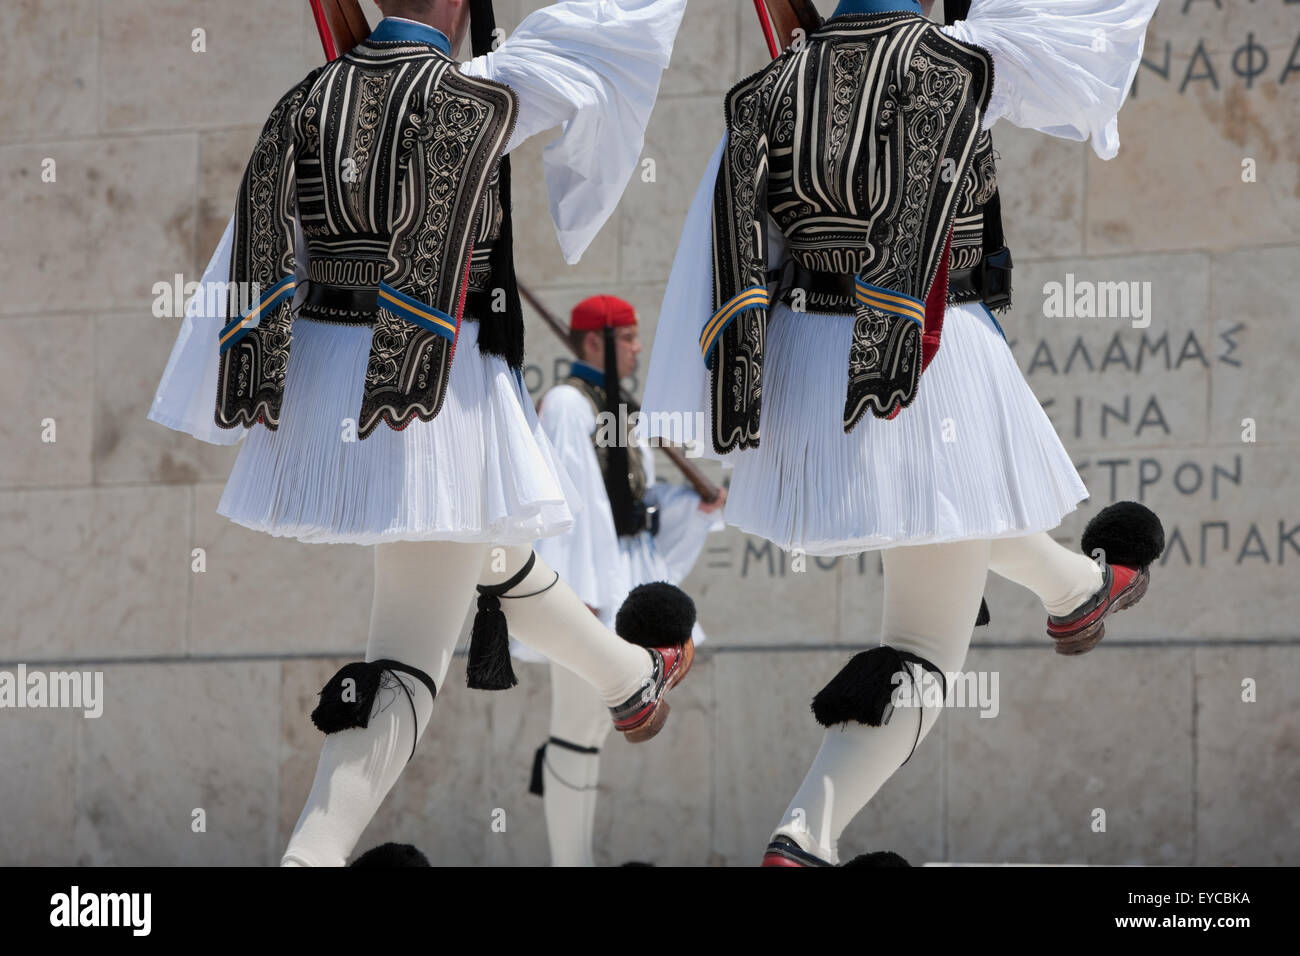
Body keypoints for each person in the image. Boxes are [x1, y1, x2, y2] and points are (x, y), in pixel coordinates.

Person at [147, 0, 693, 867]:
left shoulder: (304, 104)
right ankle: (311, 858)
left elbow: (251, 266)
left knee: (486, 554)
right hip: (430, 397)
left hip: (324, 387)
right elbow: (618, 30)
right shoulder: (485, 92)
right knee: (405, 664)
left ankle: (628, 677)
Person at [638, 0, 1164, 866]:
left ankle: (1077, 588)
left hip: (805, 361)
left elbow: (735, 253)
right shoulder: (969, 60)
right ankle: (802, 836)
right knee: (924, 638)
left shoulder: (766, 90)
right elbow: (1089, 54)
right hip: (926, 357)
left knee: (952, 513)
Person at [513, 294, 725, 866]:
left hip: (620, 578)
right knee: (575, 730)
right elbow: (566, 507)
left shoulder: (618, 407)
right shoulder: (566, 405)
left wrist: (696, 507)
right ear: (593, 343)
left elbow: (639, 504)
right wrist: (573, 601)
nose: (636, 349)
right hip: (588, 592)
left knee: (593, 731)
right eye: (626, 338)